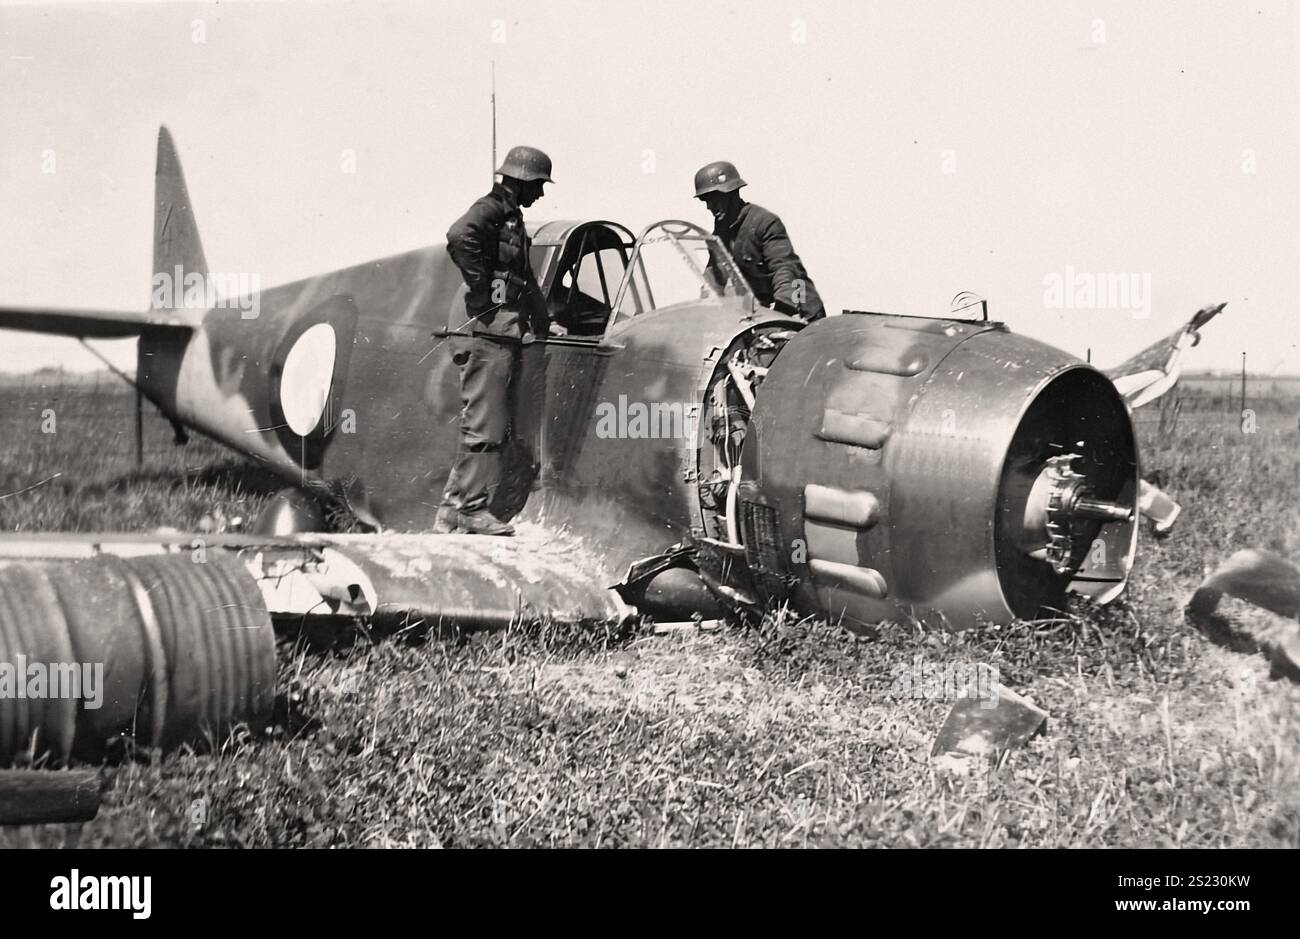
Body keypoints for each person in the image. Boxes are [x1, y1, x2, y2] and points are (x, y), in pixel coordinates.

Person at [434, 145, 555, 535]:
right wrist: (481, 289)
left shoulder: (512, 218)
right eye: (538, 184)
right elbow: (458, 235)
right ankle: (468, 509)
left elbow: (524, 278)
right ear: (522, 181)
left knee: (489, 424)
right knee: (484, 426)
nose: (541, 193)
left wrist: (543, 319)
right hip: (488, 333)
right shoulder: (490, 209)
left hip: (504, 333)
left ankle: (453, 507)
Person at [693, 160, 825, 322]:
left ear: (731, 194)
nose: (709, 206)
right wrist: (701, 316)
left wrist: (782, 311)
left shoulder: (764, 222)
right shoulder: (721, 232)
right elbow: (714, 279)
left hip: (800, 309)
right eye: (706, 200)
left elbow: (785, 270)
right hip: (765, 311)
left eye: (714, 199)